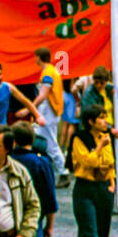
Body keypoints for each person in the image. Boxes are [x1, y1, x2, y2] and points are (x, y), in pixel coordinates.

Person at [70, 105, 116, 237]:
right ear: (91, 121)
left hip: (104, 187)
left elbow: (110, 162)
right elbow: (88, 161)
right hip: (85, 188)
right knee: (90, 233)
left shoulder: (106, 138)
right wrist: (99, 147)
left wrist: (112, 183)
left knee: (103, 233)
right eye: (101, 118)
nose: (105, 121)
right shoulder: (79, 138)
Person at [0, 61, 41, 137]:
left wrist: (37, 116)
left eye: (0, 74)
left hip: (1, 128)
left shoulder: (8, 87)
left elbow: (25, 101)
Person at [34, 46, 68, 182]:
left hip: (49, 111)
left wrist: (29, 108)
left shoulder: (47, 73)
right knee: (39, 138)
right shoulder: (53, 71)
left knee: (51, 143)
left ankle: (63, 170)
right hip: (52, 110)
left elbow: (43, 95)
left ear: (38, 57)